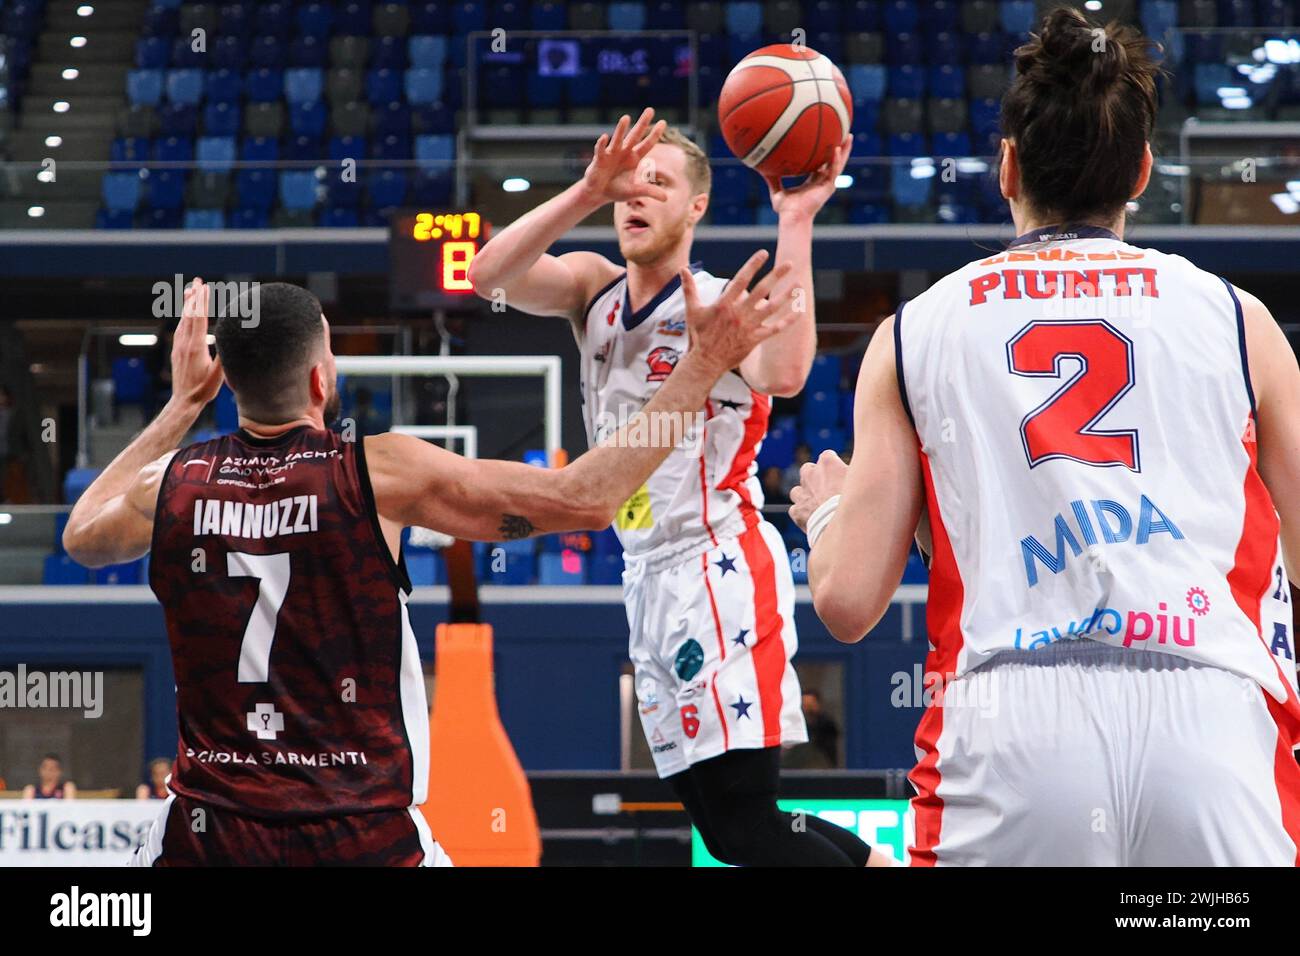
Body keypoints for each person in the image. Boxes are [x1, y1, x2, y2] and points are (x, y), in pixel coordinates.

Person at [790, 6, 1300, 866]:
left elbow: (846, 604)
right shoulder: (1240, 321)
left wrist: (831, 515)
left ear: (1008, 167)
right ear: (1142, 171)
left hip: (1013, 723)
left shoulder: (917, 329)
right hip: (1211, 713)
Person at [62, 268, 793, 866]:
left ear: (227, 380)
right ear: (321, 381)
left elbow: (81, 537)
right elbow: (590, 500)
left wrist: (182, 404)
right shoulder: (380, 471)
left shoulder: (171, 484)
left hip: (210, 832)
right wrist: (700, 365)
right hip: (358, 832)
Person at [469, 110, 885, 867]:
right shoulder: (590, 290)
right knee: (728, 835)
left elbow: (788, 373)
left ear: (697, 206)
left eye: (657, 183)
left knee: (751, 824)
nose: (637, 195)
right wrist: (586, 190)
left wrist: (795, 220)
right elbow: (485, 273)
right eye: (630, 184)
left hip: (715, 564)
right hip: (646, 574)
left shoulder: (721, 305)